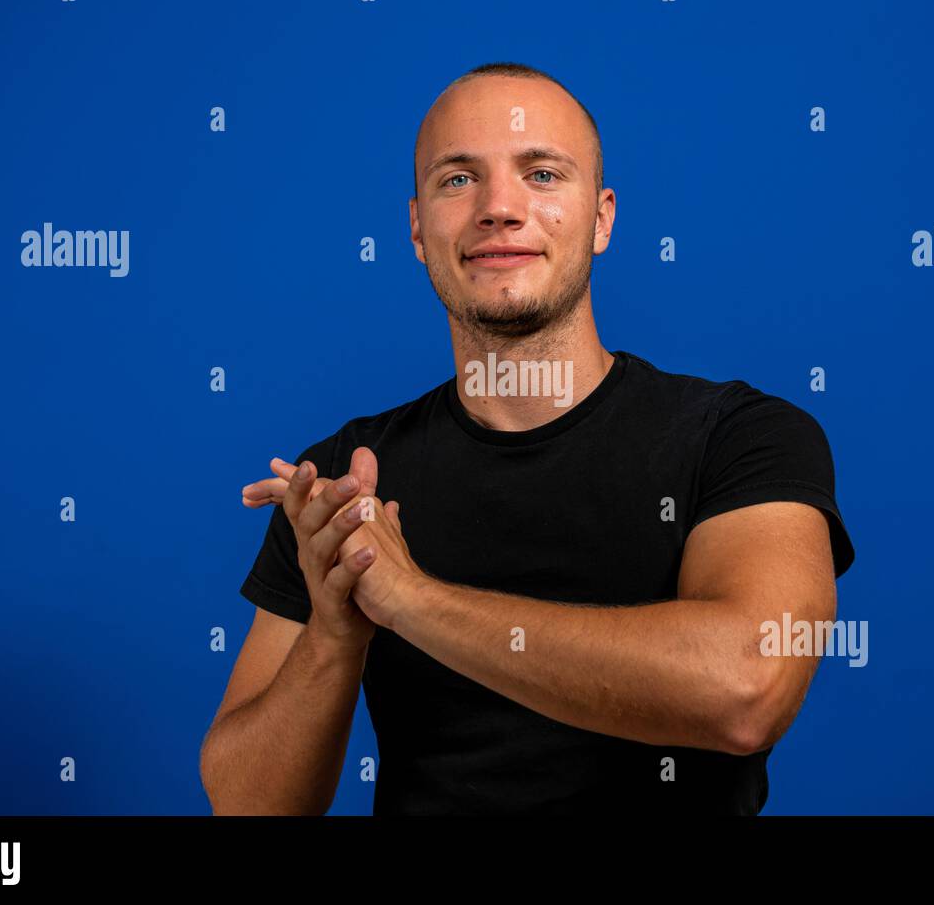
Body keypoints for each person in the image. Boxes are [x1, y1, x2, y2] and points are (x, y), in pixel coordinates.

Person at [198, 62, 856, 815]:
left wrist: (409, 600)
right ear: (416, 228)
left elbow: (747, 688)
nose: (499, 208)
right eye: (457, 180)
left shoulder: (740, 439)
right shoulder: (348, 486)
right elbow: (248, 805)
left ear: (602, 219)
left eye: (541, 174)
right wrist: (336, 632)